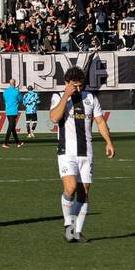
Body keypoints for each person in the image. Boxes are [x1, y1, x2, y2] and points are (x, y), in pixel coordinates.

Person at [49, 66, 114, 243]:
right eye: (73, 85)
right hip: (66, 152)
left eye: (79, 86)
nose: (77, 89)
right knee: (70, 188)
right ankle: (68, 225)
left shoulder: (90, 98)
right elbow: (54, 118)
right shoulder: (57, 97)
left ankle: (77, 232)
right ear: (66, 83)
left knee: (84, 193)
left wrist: (108, 142)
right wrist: (66, 96)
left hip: (86, 152)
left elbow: (100, 121)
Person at [1, 78, 22, 148]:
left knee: (12, 127)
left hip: (8, 111)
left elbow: (4, 100)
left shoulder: (5, 92)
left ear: (9, 84)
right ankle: (5, 143)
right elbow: (20, 99)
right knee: (11, 127)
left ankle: (18, 142)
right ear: (15, 84)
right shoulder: (16, 92)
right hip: (14, 111)